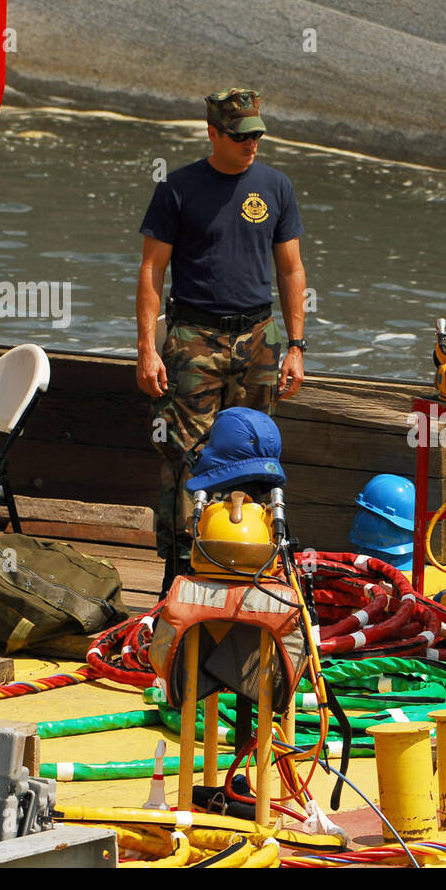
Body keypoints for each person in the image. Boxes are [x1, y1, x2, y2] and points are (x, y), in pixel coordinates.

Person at [135, 88, 308, 594]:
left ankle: (248, 561)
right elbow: (152, 270)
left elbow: (292, 268)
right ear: (213, 133)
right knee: (185, 453)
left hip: (259, 335)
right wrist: (147, 349)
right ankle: (180, 569)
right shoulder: (177, 188)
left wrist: (295, 345)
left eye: (256, 134)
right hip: (193, 336)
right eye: (240, 135)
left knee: (254, 452)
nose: (251, 143)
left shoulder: (276, 186)